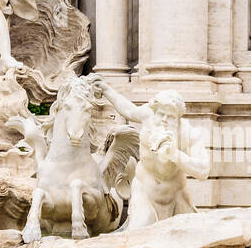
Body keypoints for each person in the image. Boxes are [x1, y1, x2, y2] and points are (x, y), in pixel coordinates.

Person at [89, 77, 209, 231]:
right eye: (161, 114)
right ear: (155, 112)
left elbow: (203, 171)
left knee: (187, 238)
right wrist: (106, 89)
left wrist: (174, 154)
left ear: (178, 118)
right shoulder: (147, 116)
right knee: (139, 235)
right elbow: (128, 109)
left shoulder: (189, 134)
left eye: (170, 116)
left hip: (176, 195)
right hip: (145, 191)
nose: (164, 120)